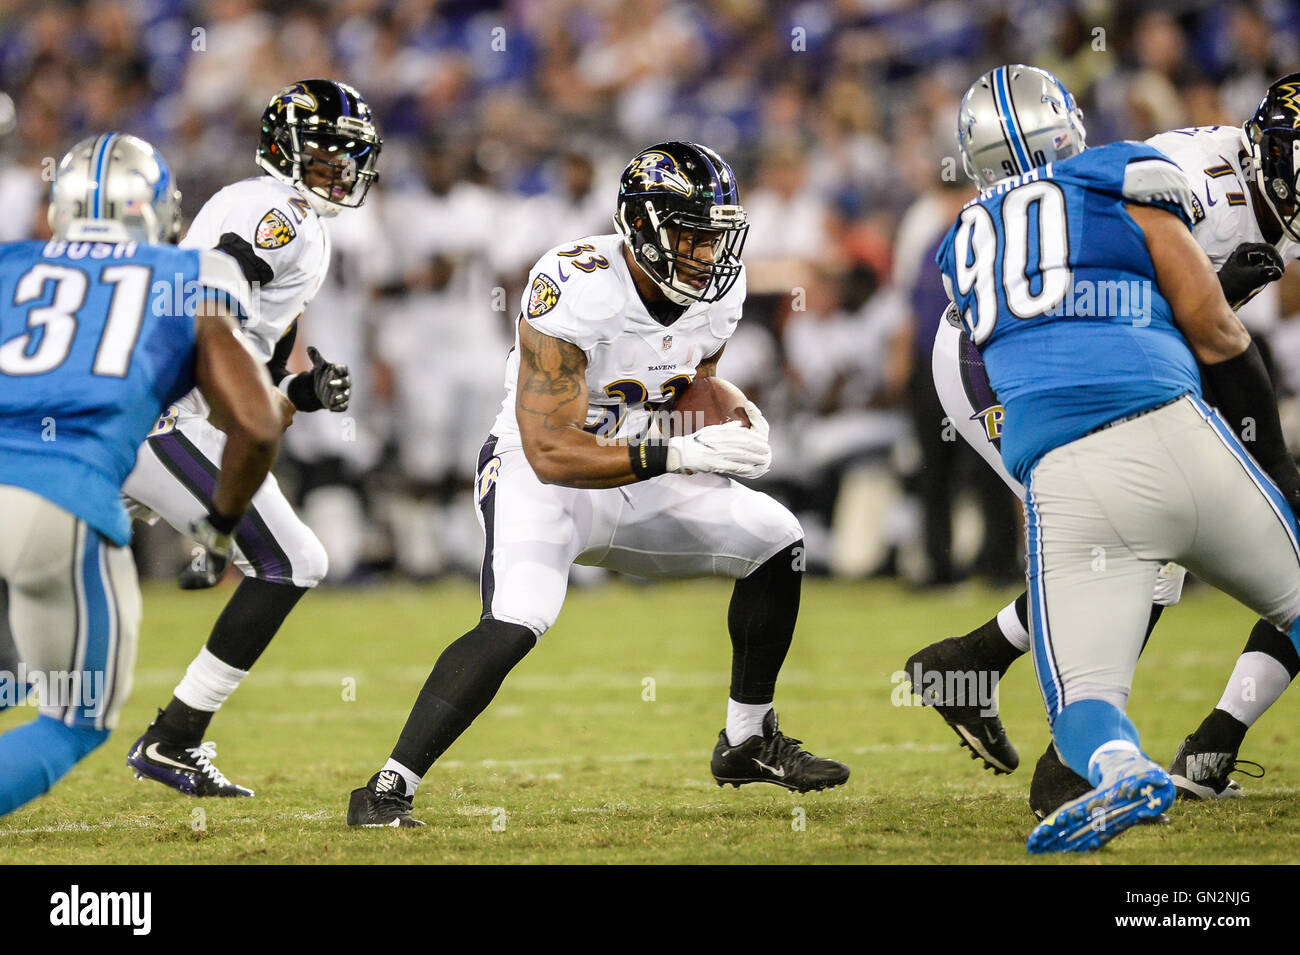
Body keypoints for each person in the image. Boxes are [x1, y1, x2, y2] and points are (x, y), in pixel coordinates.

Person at [346, 142, 849, 827]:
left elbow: (685, 381)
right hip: (539, 471)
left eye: (717, 236)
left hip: (638, 465)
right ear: (642, 227)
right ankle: (386, 787)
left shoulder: (719, 291)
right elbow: (552, 447)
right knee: (519, 616)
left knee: (776, 539)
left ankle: (747, 737)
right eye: (693, 236)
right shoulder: (576, 281)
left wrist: (734, 412)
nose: (709, 255)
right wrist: (681, 453)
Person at [911, 71, 1300, 817]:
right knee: (1134, 543)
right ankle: (1071, 758)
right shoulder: (1181, 181)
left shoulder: (1240, 184)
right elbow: (1174, 311)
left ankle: (974, 666)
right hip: (998, 355)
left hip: (1075, 352)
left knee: (1135, 537)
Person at [0, 133, 281, 818]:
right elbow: (257, 421)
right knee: (75, 716)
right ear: (160, 210)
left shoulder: (11, 263)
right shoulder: (190, 274)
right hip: (61, 499)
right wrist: (219, 526)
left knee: (13, 676)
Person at [122, 80, 380, 797]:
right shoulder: (279, 212)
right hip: (159, 413)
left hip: (160, 413)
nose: (343, 170)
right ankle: (172, 738)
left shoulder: (281, 213)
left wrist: (299, 391)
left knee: (52, 602)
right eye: (327, 153)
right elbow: (206, 315)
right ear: (285, 150)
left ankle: (172, 738)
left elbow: (247, 378)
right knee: (293, 559)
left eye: (350, 156)